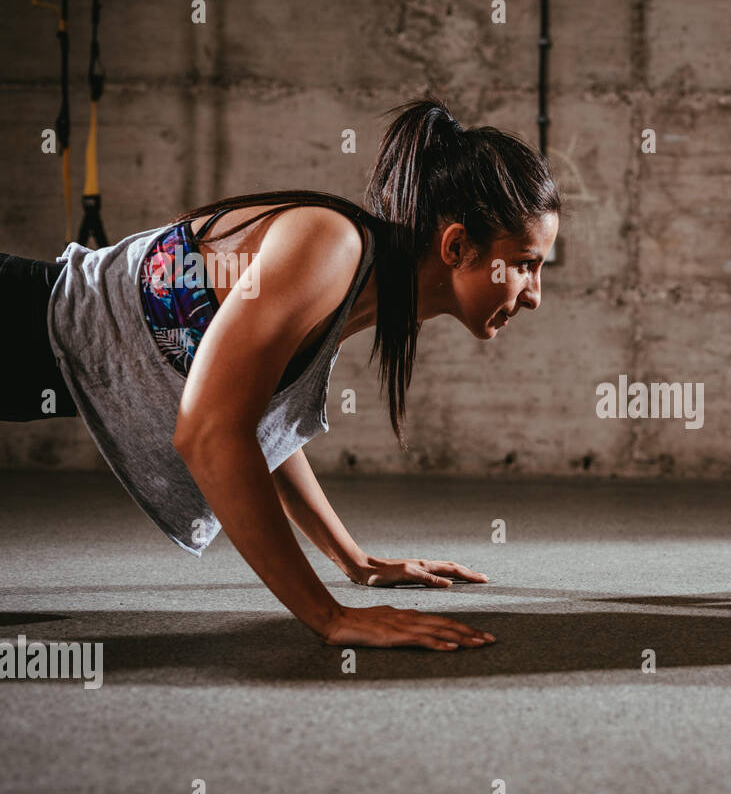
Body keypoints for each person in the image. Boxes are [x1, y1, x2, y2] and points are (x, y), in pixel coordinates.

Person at [1, 98, 561, 652]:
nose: (533, 296)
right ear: (457, 245)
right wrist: (331, 618)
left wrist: (356, 562)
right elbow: (211, 432)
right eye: (525, 264)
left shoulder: (361, 284)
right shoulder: (329, 246)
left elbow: (256, 416)